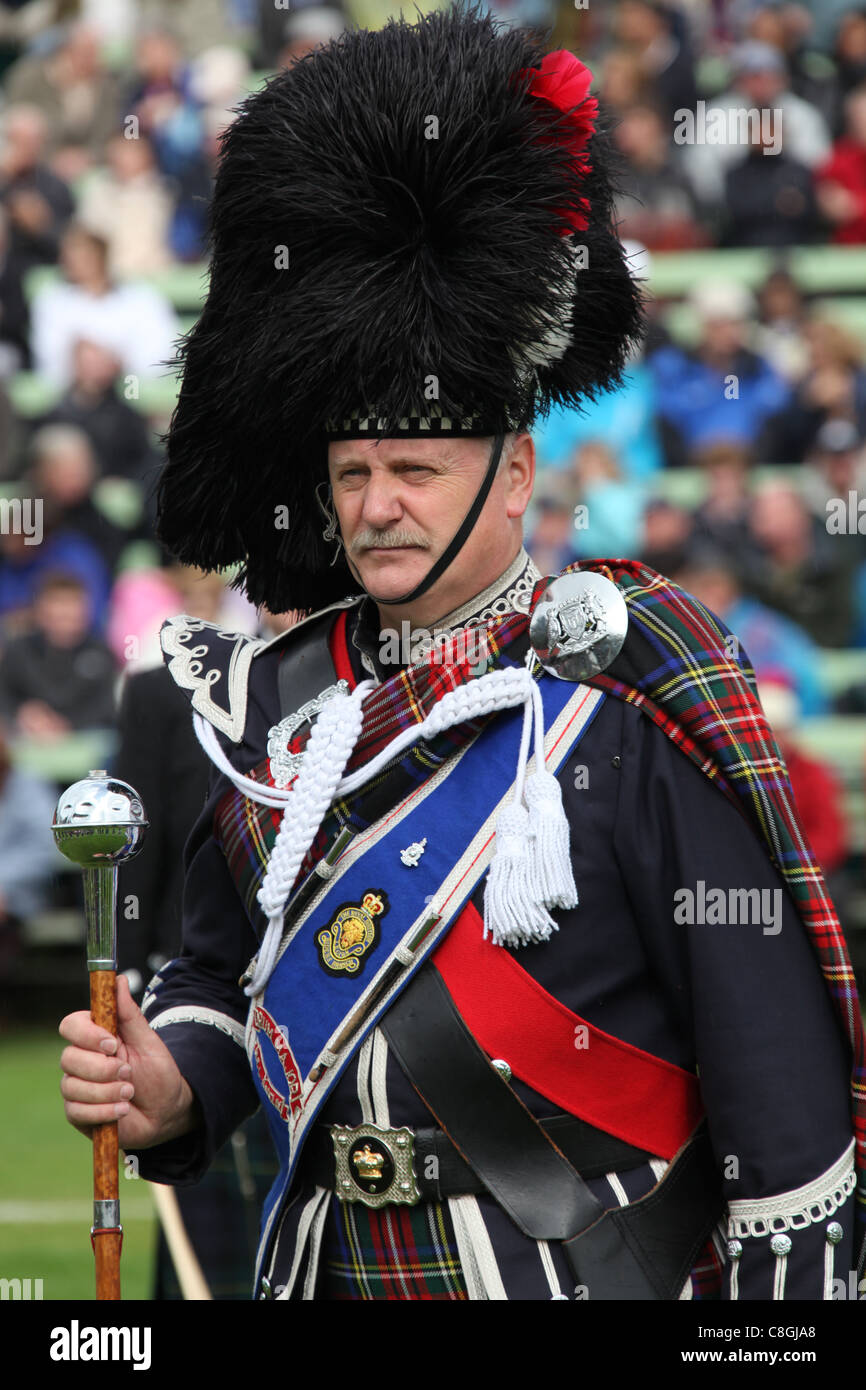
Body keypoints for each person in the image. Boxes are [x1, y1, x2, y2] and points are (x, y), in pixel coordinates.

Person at [59, 7, 863, 1302]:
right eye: (356, 470)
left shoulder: (625, 680)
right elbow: (214, 969)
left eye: (417, 470)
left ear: (514, 473)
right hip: (318, 1264)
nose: (378, 503)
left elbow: (765, 1051)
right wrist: (174, 1083)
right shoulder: (277, 702)